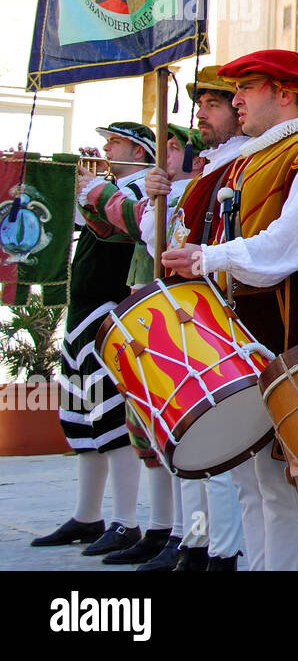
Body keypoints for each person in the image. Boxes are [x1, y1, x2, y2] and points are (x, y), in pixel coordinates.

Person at [161, 49, 298, 571]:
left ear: (285, 94)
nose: (236, 98)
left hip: (283, 332)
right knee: (250, 482)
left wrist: (209, 256)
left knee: (282, 485)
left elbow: (292, 244)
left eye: (248, 87)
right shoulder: (256, 157)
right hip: (242, 335)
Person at [72, 122, 201, 566]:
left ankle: (190, 537)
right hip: (143, 318)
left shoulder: (191, 194)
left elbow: (129, 222)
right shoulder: (154, 194)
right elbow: (108, 228)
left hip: (172, 322)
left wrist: (96, 192)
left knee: (181, 438)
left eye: (173, 147)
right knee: (147, 435)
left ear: (194, 157)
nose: (165, 155)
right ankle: (164, 529)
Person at [138, 65, 249, 571]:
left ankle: (222, 554)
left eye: (213, 104)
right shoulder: (207, 171)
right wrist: (159, 199)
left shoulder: (243, 165)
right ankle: (197, 543)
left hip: (230, 317)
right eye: (199, 104)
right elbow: (163, 245)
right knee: (194, 452)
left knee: (225, 458)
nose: (201, 113)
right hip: (192, 314)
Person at [32, 122, 155, 557]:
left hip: (109, 318)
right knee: (82, 422)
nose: (107, 147)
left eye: (116, 142)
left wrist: (92, 188)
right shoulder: (113, 187)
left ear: (140, 152)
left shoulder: (143, 191)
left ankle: (126, 521)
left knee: (112, 422)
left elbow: (127, 228)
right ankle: (87, 516)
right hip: (83, 320)